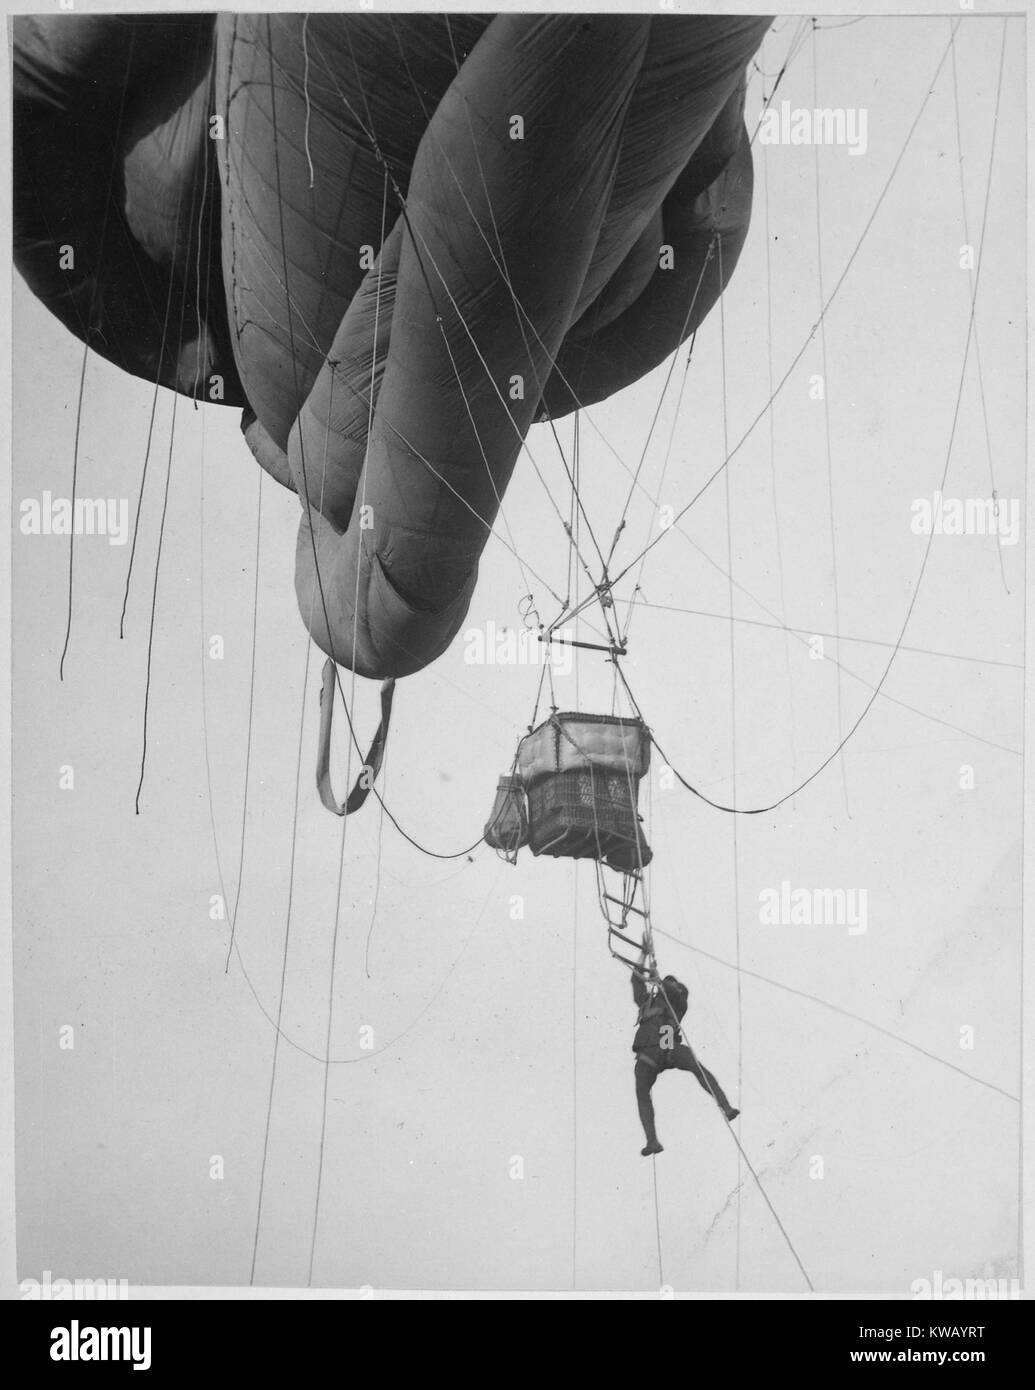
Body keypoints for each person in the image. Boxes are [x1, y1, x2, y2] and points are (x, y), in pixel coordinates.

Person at [632, 945, 739, 1156]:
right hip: (647, 1054)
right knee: (641, 1091)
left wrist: (659, 979)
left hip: (667, 1046)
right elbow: (636, 980)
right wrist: (644, 954)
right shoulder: (647, 1002)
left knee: (696, 1066)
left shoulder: (678, 1003)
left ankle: (725, 1106)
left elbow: (673, 992)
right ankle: (652, 1140)